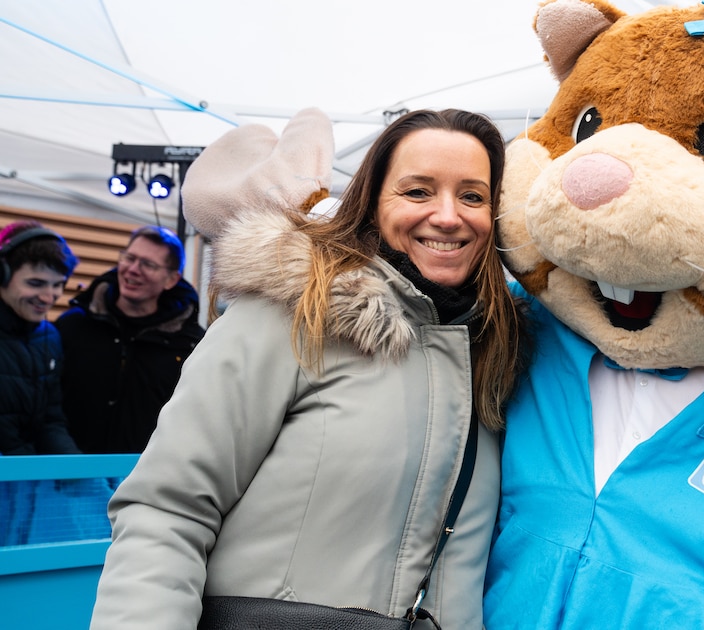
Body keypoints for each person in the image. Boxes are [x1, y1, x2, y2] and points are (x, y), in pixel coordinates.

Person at [90, 108, 530, 629]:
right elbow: (168, 511)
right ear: (371, 203)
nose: (448, 215)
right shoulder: (288, 317)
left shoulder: (495, 354)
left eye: (473, 196)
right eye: (417, 191)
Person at [55, 225, 205, 454]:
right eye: (129, 258)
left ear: (171, 280)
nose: (133, 269)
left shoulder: (191, 346)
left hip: (148, 481)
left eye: (148, 264)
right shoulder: (73, 325)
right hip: (71, 477)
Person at [0, 221, 81, 456]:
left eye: (58, 285)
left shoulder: (49, 337)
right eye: (36, 283)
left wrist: (79, 473)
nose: (49, 297)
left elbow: (50, 422)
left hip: (23, 482)